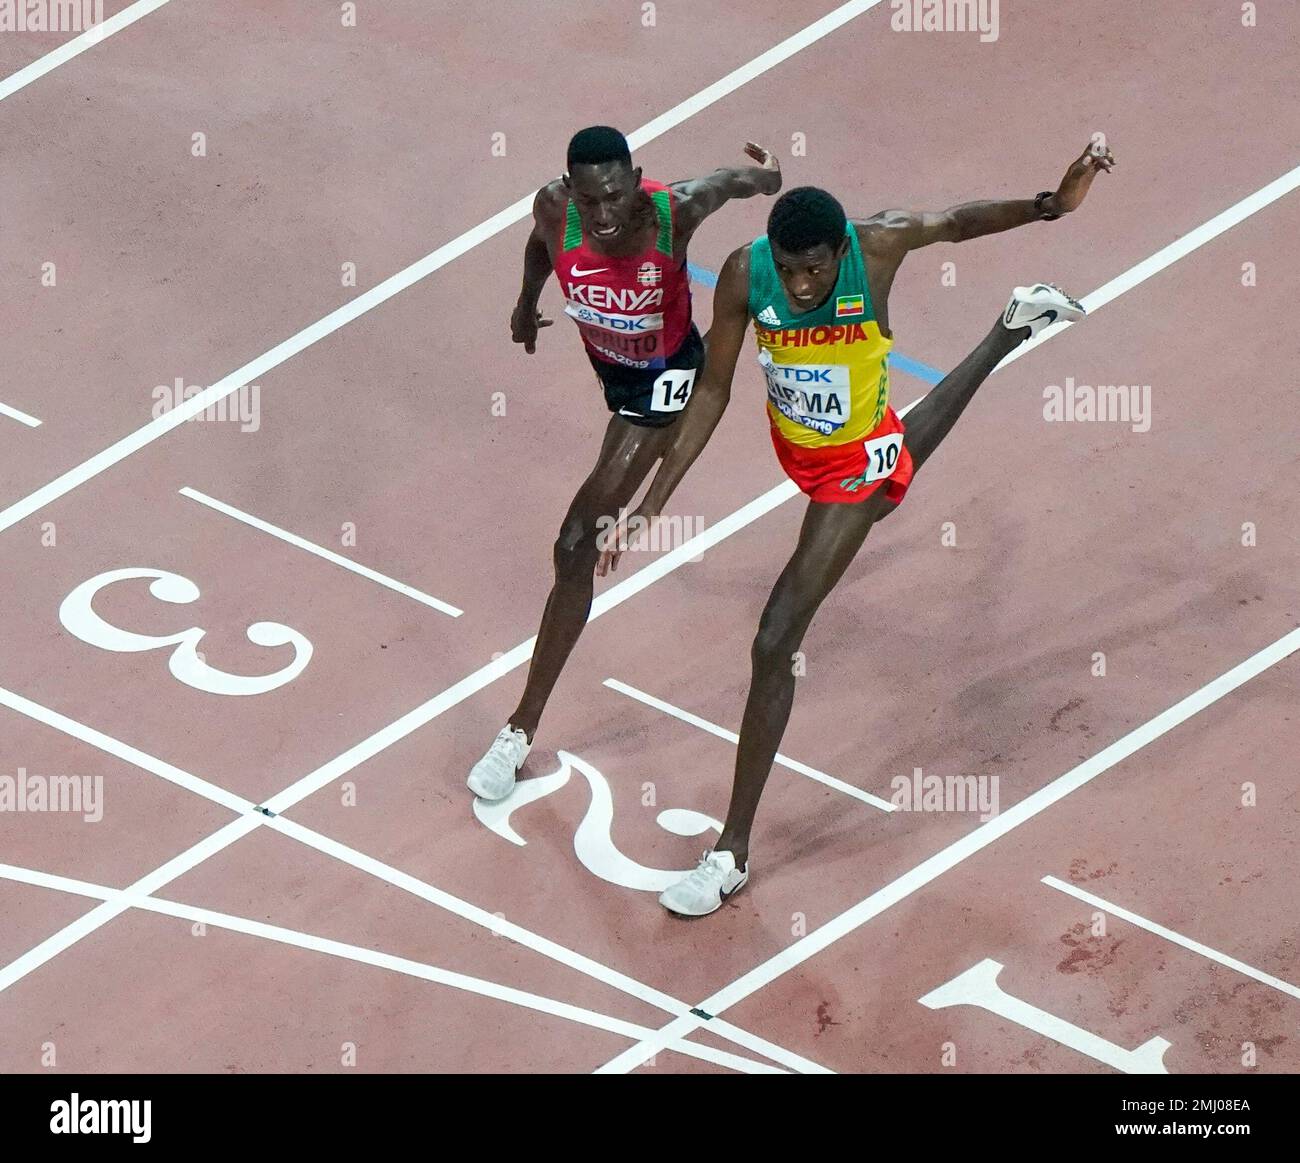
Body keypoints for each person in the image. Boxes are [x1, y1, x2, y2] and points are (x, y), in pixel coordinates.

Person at [604, 139, 1116, 915]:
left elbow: (956, 221)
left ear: (838, 251)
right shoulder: (748, 274)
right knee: (889, 486)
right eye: (792, 268)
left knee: (776, 635)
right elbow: (710, 394)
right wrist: (654, 499)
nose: (804, 284)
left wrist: (1051, 202)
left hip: (851, 458)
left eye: (816, 269)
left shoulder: (876, 245)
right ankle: (1012, 327)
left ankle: (729, 852)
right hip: (795, 446)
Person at [467, 125, 783, 800]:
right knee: (574, 544)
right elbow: (540, 247)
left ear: (636, 179)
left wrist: (769, 175)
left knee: (575, 543)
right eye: (591, 201)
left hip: (664, 381)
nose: (605, 215)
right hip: (610, 369)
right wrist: (527, 304)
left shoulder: (676, 211)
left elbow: (735, 183)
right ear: (570, 192)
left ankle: (518, 730)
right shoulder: (555, 209)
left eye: (615, 195)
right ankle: (521, 725)